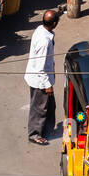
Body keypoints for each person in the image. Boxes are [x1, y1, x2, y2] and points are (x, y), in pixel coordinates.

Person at [25, 9, 60, 145]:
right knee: (39, 108)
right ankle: (35, 134)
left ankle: (47, 129)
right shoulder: (44, 42)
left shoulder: (41, 29)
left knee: (50, 106)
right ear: (55, 23)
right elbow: (40, 67)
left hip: (43, 77)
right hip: (40, 81)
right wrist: (47, 85)